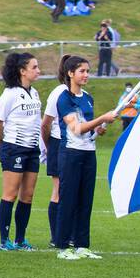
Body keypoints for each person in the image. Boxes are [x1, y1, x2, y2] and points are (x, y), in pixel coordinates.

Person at [54, 55, 119, 260]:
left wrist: (98, 129)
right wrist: (102, 118)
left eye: (88, 71)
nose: (86, 75)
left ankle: (82, 245)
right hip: (71, 154)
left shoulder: (88, 97)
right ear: (70, 73)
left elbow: (88, 130)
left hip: (89, 153)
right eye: (82, 71)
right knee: (68, 200)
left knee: (85, 200)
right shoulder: (64, 98)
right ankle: (64, 247)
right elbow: (76, 128)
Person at [0, 51, 44, 251]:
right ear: (22, 71)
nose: (38, 71)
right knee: (10, 194)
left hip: (32, 149)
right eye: (34, 67)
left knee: (28, 195)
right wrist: (3, 145)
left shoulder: (35, 92)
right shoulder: (10, 94)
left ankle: (20, 239)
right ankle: (4, 240)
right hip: (14, 148)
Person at [40, 61, 69, 247]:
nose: (86, 75)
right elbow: (45, 124)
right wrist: (50, 146)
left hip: (74, 146)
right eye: (82, 70)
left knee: (71, 191)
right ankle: (56, 236)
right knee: (59, 191)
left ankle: (68, 234)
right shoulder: (58, 93)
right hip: (58, 144)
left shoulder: (84, 95)